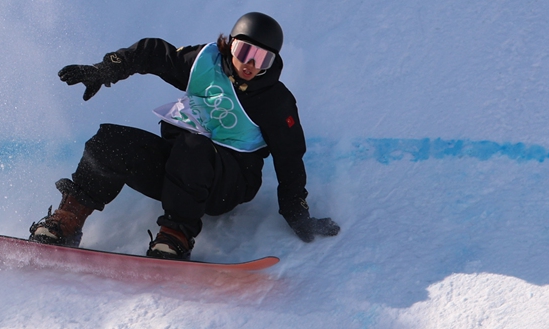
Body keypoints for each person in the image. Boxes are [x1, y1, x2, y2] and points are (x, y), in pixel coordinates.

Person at [29, 12, 340, 260]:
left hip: (227, 183)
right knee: (108, 141)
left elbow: (289, 158)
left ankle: (176, 235)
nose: (249, 64)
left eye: (262, 59)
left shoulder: (276, 100)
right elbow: (153, 53)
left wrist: (297, 213)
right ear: (230, 44)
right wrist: (106, 70)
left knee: (193, 145)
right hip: (179, 166)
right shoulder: (204, 63)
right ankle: (68, 219)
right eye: (244, 51)